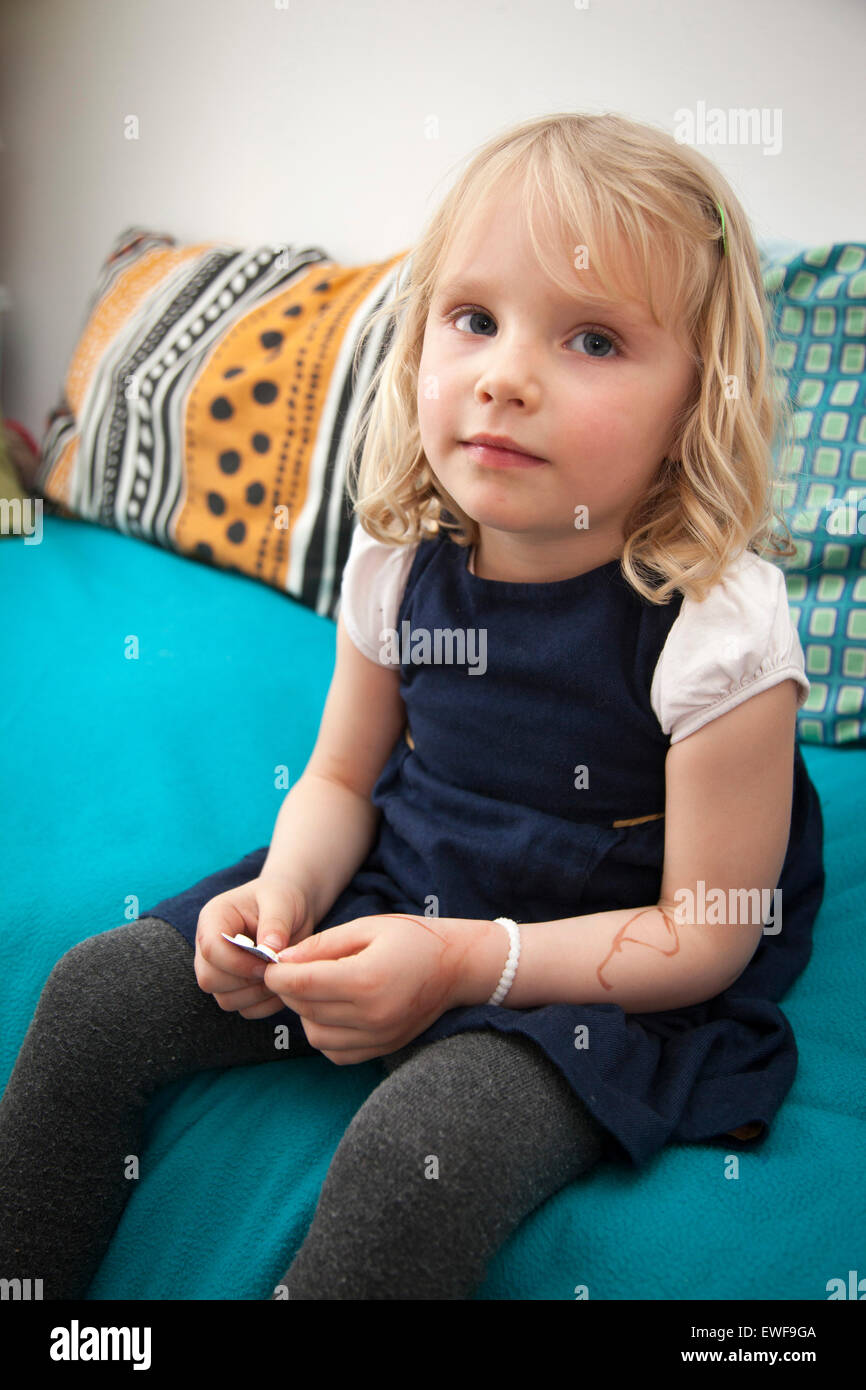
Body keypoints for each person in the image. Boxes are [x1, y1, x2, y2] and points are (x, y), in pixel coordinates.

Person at [0, 111, 825, 1301]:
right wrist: (282, 893)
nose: (504, 374)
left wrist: (454, 964)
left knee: (413, 1153)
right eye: (473, 319)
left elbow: (702, 934)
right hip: (412, 874)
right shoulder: (398, 559)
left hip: (600, 960)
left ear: (699, 401)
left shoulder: (716, 624)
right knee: (92, 994)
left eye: (590, 338)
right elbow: (340, 780)